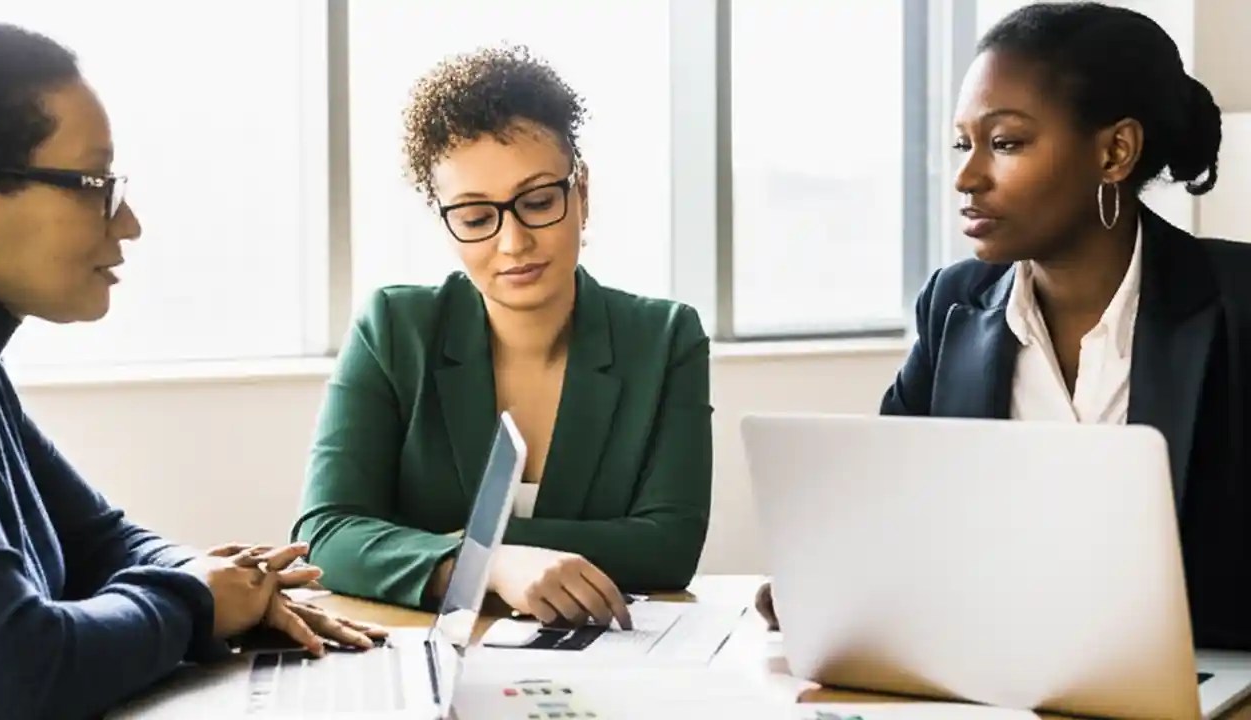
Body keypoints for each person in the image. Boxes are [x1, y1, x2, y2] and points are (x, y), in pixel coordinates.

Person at [758, 1, 1251, 651]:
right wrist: (830, 582)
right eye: (963, 143)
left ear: (1115, 151)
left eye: (1006, 142)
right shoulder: (953, 305)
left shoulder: (1236, 302)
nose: (966, 177)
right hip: (994, 679)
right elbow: (895, 516)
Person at [0, 19, 384, 719]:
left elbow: (100, 539)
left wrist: (230, 584)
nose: (126, 221)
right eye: (93, 183)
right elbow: (14, 671)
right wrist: (196, 601)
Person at [294, 45, 713, 629]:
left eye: (538, 202)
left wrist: (460, 544)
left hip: (603, 660)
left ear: (581, 194)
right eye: (474, 217)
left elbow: (668, 547)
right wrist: (489, 566)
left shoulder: (665, 338)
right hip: (425, 653)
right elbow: (327, 531)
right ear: (445, 219)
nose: (513, 242)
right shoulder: (392, 330)